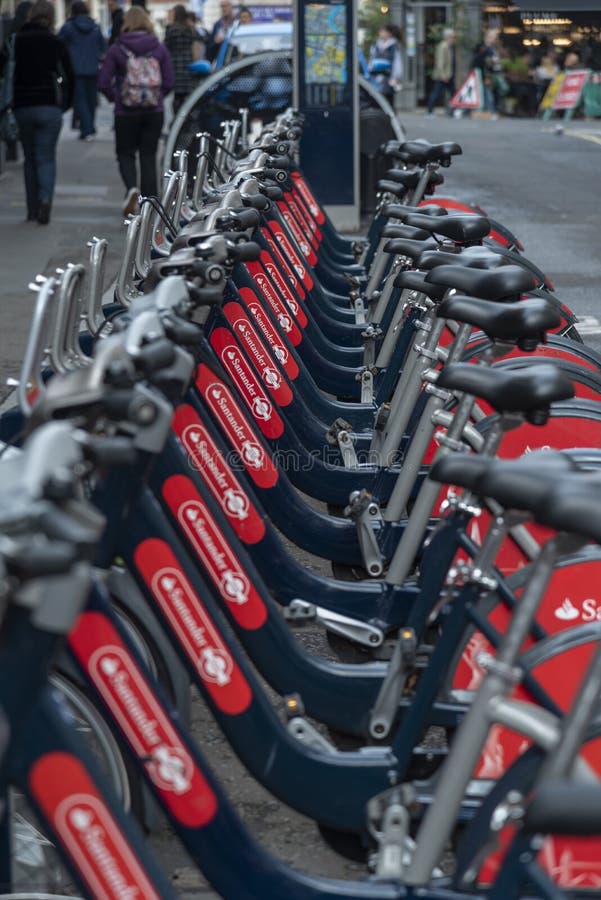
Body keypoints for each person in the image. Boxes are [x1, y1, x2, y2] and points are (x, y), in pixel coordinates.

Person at [98, 6, 174, 215]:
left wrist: (118, 98)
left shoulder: (117, 48)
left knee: (125, 153)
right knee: (148, 156)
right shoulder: (158, 48)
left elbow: (103, 81)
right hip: (153, 112)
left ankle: (132, 188)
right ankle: (150, 205)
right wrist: (156, 98)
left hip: (126, 113)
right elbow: (169, 80)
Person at [9, 0, 74, 223]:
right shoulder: (55, 42)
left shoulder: (16, 41)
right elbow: (69, 75)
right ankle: (46, 200)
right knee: (46, 158)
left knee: (29, 158)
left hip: (22, 106)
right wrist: (65, 104)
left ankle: (32, 208)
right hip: (49, 106)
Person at [59, 1, 106, 141]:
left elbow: (59, 45)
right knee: (91, 100)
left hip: (75, 69)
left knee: (80, 101)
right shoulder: (96, 28)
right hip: (93, 69)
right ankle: (89, 126)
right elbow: (103, 47)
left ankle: (87, 129)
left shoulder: (68, 28)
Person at [0, 0, 32, 161]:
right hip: (29, 85)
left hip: (12, 83)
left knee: (9, 114)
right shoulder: (34, 34)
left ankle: (11, 148)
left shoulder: (11, 34)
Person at [164, 3, 202, 115]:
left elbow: (166, 47)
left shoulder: (171, 29)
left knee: (177, 97)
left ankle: (177, 119)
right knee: (188, 97)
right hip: (189, 65)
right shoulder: (190, 29)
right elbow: (196, 45)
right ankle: (187, 120)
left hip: (175, 66)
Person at [368, 24, 403, 100]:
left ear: (389, 33)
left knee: (388, 100)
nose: (381, 33)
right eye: (380, 31)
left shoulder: (394, 46)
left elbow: (397, 63)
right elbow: (371, 60)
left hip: (388, 77)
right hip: (376, 77)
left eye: (383, 31)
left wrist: (395, 78)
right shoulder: (375, 45)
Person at [472, 29, 501, 118]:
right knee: (485, 92)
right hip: (480, 73)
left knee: (485, 92)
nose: (495, 40)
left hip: (488, 74)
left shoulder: (492, 48)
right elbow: (478, 61)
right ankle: (491, 111)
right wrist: (485, 77)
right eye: (493, 38)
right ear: (488, 38)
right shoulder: (481, 47)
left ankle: (489, 110)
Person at [426, 28, 455, 116]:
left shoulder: (448, 46)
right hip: (442, 75)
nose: (454, 39)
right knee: (437, 93)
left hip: (447, 74)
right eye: (452, 37)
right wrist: (443, 75)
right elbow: (440, 62)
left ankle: (452, 110)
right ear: (448, 37)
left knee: (452, 92)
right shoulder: (443, 46)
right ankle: (430, 111)